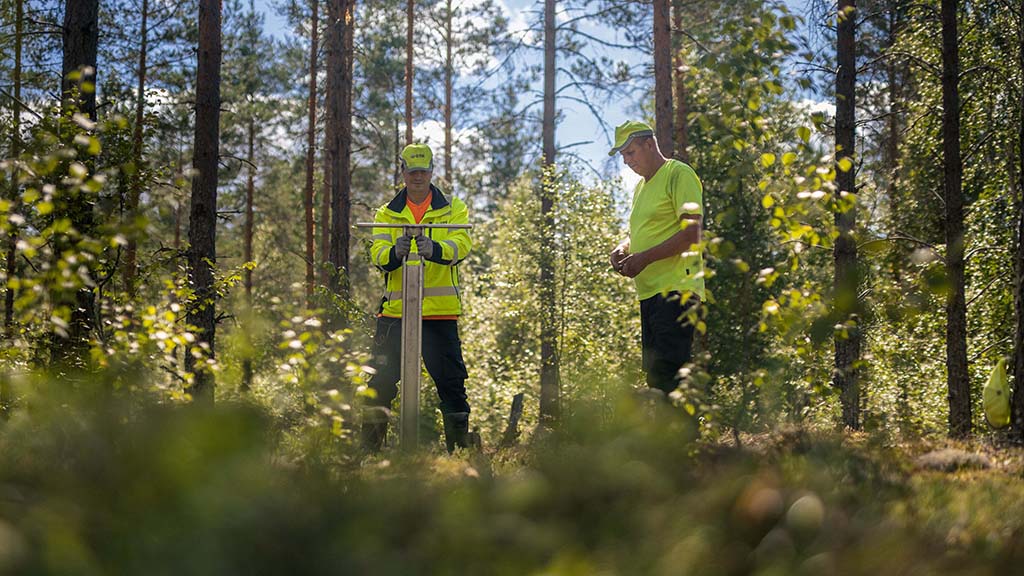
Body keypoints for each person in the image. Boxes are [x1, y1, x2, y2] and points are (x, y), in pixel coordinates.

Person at [363, 143, 473, 453]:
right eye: (412, 172)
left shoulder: (454, 209)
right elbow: (378, 255)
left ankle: (460, 454)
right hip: (395, 314)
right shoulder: (386, 213)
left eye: (423, 172)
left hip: (440, 314)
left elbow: (461, 245)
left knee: (451, 385)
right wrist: (394, 253)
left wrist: (436, 250)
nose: (418, 178)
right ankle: (368, 454)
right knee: (379, 384)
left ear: (432, 171)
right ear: (402, 173)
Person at [608, 120, 705, 395]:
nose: (626, 161)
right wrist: (623, 248)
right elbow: (642, 231)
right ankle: (673, 435)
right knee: (655, 373)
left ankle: (681, 436)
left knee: (668, 371)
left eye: (630, 153)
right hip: (650, 293)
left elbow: (692, 234)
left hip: (676, 289)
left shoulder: (678, 173)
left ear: (649, 144)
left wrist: (645, 258)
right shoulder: (641, 188)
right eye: (623, 156)